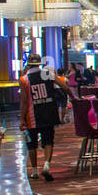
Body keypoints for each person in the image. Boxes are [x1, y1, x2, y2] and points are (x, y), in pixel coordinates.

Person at [18, 53, 68, 182]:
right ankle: (46, 165)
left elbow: (24, 101)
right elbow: (64, 86)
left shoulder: (24, 79)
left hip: (32, 116)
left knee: (32, 144)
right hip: (49, 113)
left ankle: (34, 171)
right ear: (40, 64)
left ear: (28, 64)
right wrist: (73, 97)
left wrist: (22, 119)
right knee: (48, 141)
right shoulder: (48, 74)